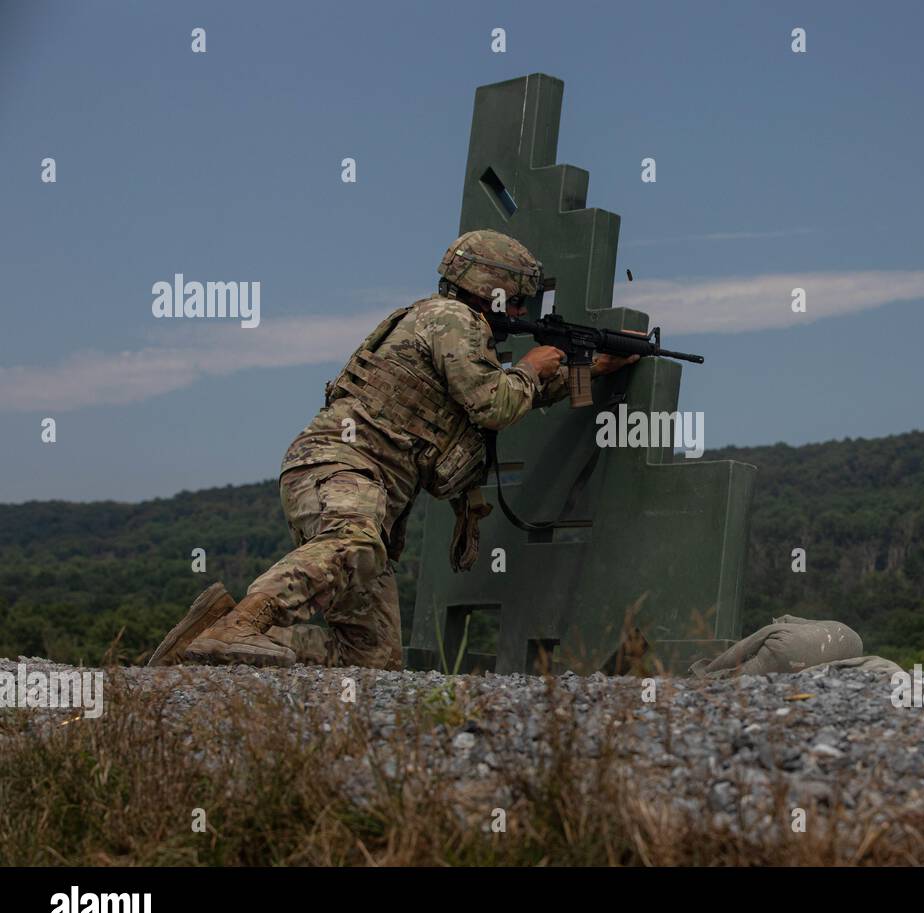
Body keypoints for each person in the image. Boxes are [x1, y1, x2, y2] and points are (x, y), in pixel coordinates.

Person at [149, 230, 635, 668]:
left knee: (371, 658)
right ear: (490, 288)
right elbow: (494, 405)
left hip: (360, 484)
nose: (522, 314)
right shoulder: (451, 319)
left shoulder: (450, 326)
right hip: (341, 466)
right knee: (355, 542)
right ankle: (242, 624)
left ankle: (210, 638)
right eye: (518, 301)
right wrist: (531, 367)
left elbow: (498, 395)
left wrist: (592, 368)